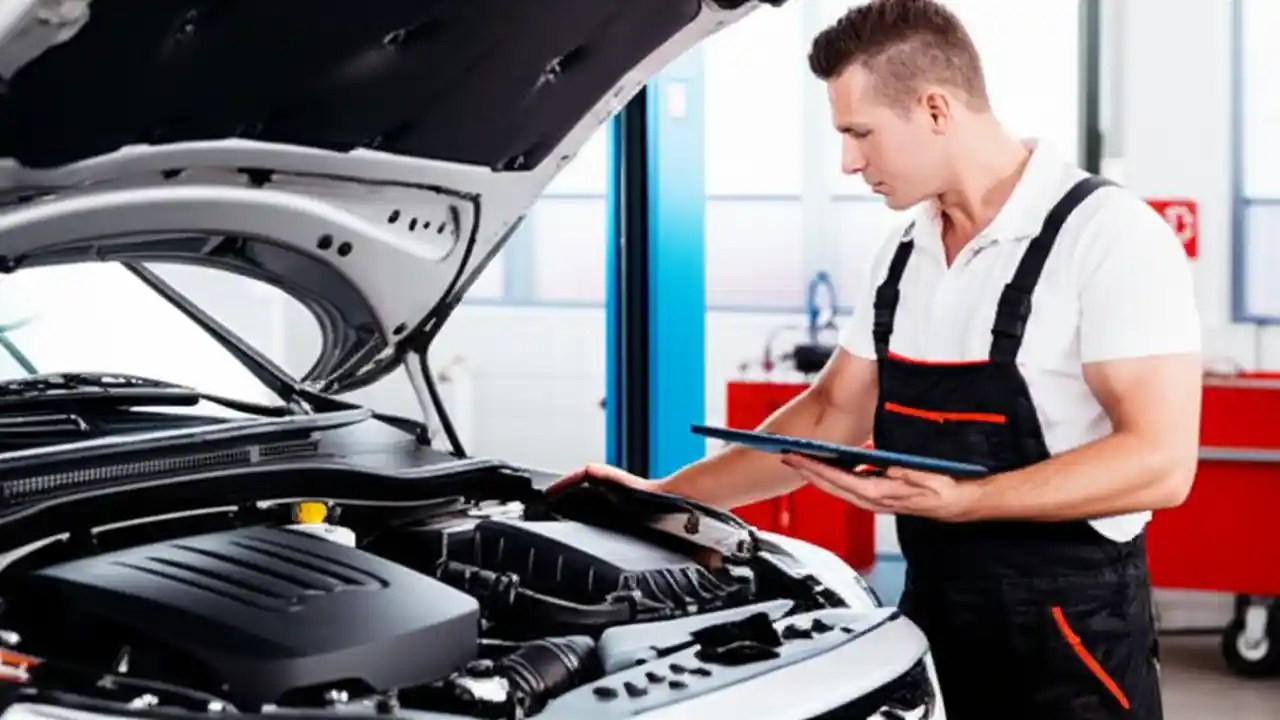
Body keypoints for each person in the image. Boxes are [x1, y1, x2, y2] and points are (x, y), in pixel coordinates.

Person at [549, 0, 1202, 717]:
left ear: (934, 109)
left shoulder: (1107, 236)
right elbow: (832, 413)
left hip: (1073, 637)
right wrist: (665, 501)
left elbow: (1160, 463)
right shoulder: (904, 251)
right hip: (934, 616)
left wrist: (969, 501)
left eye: (860, 133)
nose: (849, 161)